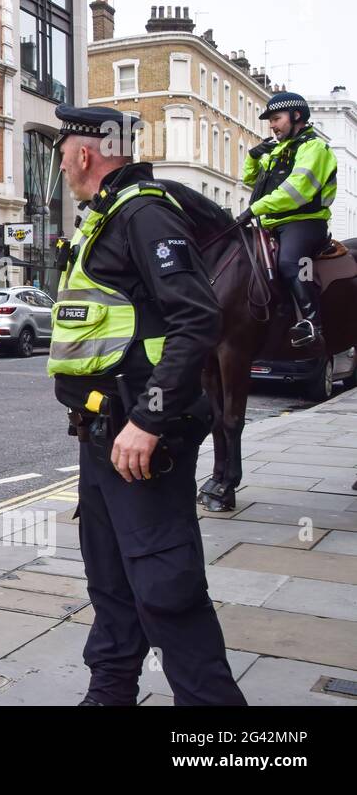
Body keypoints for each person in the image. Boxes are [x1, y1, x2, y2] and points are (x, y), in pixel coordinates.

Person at [46, 104, 245, 706]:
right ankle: (108, 696)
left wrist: (149, 419)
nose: (59, 165)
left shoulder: (145, 215)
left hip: (140, 438)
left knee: (166, 588)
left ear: (85, 153)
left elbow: (196, 318)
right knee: (109, 583)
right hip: (101, 436)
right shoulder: (106, 219)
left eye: (61, 155)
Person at [238, 91, 338, 347]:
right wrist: (252, 156)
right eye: (270, 120)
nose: (271, 125)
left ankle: (312, 324)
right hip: (271, 224)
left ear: (296, 116)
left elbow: (297, 190)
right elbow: (252, 181)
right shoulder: (278, 151)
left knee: (290, 262)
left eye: (276, 118)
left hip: (304, 222)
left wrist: (254, 209)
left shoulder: (314, 148)